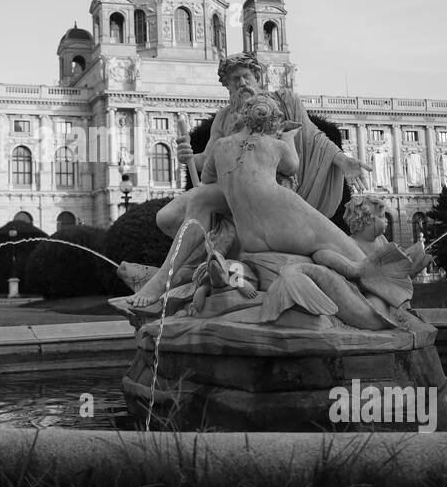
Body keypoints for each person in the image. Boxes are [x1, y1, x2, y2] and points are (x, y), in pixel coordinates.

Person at [127, 52, 369, 306]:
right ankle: (200, 267)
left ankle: (163, 280)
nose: (242, 83)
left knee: (199, 199)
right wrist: (187, 155)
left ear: (257, 77)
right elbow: (208, 159)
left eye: (246, 77)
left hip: (273, 187)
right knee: (165, 217)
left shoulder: (284, 101)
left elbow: (314, 137)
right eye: (234, 80)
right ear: (226, 86)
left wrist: (343, 160)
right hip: (230, 188)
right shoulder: (223, 117)